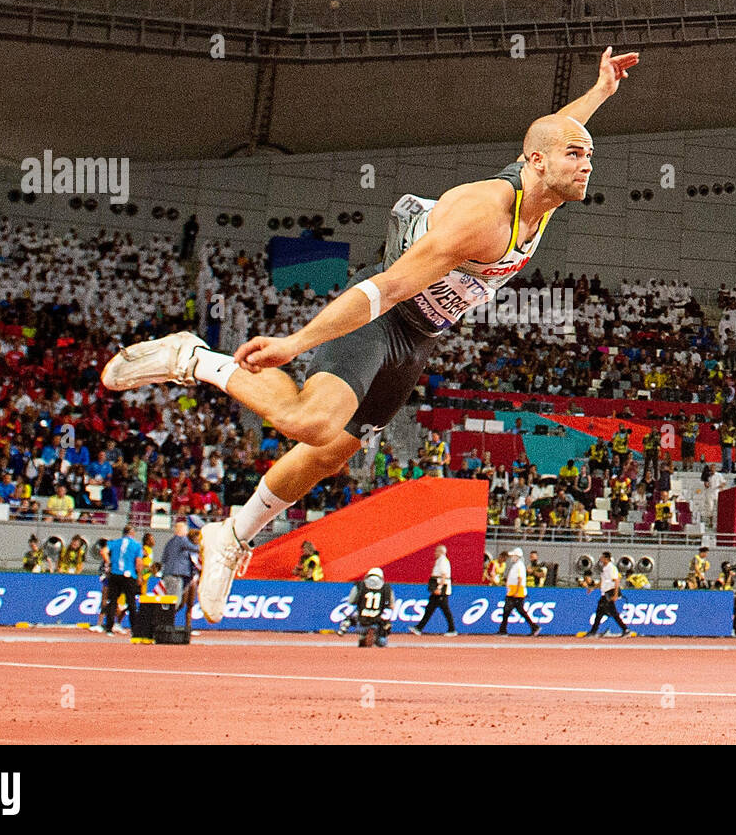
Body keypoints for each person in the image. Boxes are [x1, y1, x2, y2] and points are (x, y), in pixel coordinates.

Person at [100, 47, 640, 624]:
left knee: (329, 455)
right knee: (311, 422)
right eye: (576, 157)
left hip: (420, 336)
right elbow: (385, 287)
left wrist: (601, 91)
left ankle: (232, 534)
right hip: (384, 314)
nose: (586, 165)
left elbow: (558, 130)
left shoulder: (545, 193)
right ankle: (194, 357)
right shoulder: (483, 215)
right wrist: (295, 343)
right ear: (535, 162)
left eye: (589, 156)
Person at [577, 551, 635, 638]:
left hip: (610, 592)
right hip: (605, 593)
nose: (601, 558)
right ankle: (594, 631)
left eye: (602, 557)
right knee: (600, 612)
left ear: (606, 558)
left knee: (611, 613)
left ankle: (625, 630)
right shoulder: (605, 568)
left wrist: (615, 594)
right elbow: (602, 581)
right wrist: (593, 588)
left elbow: (616, 581)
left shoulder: (611, 568)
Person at [337, 567, 396, 647]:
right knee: (382, 641)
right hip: (378, 622)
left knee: (352, 616)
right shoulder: (387, 588)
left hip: (361, 621)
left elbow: (351, 601)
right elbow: (391, 606)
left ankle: (345, 626)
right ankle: (378, 638)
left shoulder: (360, 586)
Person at [101, 525, 144, 635]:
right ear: (132, 533)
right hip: (129, 576)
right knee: (131, 602)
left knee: (112, 601)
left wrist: (109, 563)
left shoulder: (115, 542)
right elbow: (139, 562)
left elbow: (103, 551)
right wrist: (139, 575)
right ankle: (135, 629)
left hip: (115, 574)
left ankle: (109, 628)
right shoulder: (136, 545)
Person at [160, 520, 200, 628]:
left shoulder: (170, 542)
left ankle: (165, 623)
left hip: (167, 574)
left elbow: (163, 559)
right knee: (174, 602)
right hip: (176, 575)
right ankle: (167, 625)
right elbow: (195, 548)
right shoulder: (181, 539)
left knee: (169, 602)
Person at [410, 544, 456, 636]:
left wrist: (439, 588)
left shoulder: (443, 561)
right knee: (429, 609)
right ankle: (419, 628)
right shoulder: (439, 561)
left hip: (441, 589)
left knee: (445, 610)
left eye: (436, 551)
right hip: (438, 587)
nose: (435, 553)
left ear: (441, 552)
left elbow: (443, 575)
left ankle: (452, 630)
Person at [498, 548, 541, 636]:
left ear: (517, 556)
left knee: (508, 610)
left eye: (513, 556)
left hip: (517, 593)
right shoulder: (516, 565)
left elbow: (520, 579)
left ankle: (503, 630)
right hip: (513, 592)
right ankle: (534, 627)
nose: (511, 557)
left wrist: (517, 592)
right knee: (518, 611)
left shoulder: (519, 565)